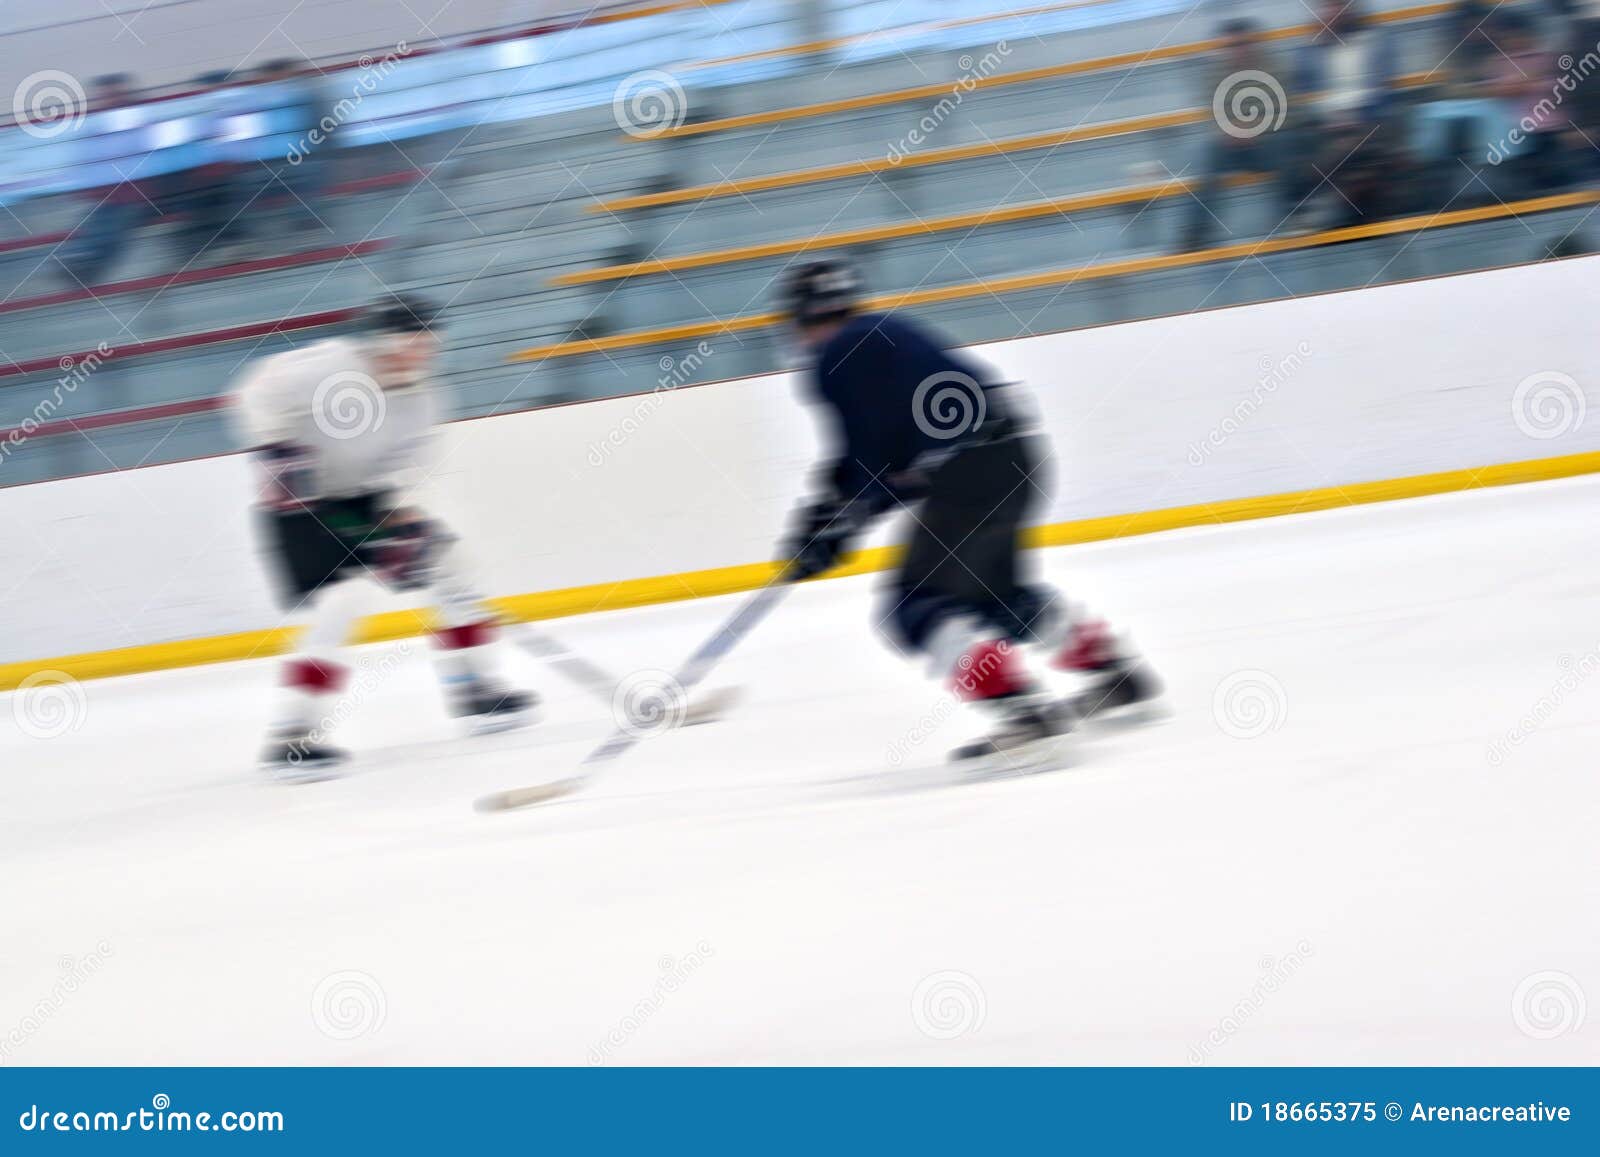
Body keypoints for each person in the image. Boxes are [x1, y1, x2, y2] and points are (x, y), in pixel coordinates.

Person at [774, 260, 1160, 764]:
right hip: (1015, 457)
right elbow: (898, 463)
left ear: (801, 318)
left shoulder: (836, 356)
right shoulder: (886, 334)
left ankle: (1023, 711)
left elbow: (868, 463)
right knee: (996, 596)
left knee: (915, 604)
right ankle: (1116, 674)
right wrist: (837, 518)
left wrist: (833, 524)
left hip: (972, 473)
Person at [233, 296, 535, 776]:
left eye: (427, 347)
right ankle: (292, 733)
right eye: (406, 346)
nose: (417, 357)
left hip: (363, 502)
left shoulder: (425, 398)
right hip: (297, 502)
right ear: (376, 345)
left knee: (453, 567)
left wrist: (401, 515)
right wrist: (277, 451)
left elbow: (412, 468)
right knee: (341, 603)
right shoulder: (327, 366)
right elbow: (253, 390)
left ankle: (476, 688)